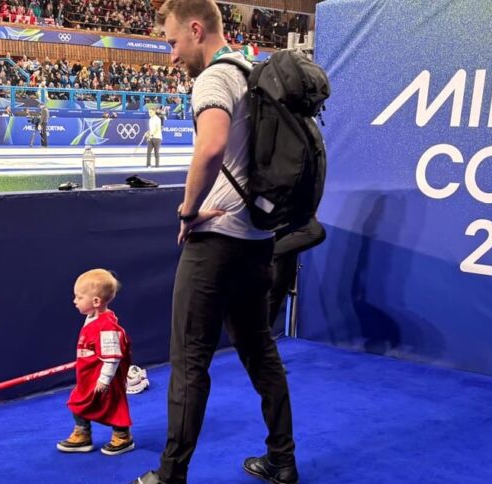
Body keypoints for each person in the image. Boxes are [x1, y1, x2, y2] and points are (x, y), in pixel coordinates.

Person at [134, 1, 298, 483]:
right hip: (258, 239)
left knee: (189, 362)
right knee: (262, 354)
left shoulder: (213, 78)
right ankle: (283, 462)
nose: (170, 55)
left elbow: (210, 147)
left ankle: (170, 476)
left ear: (197, 29)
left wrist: (188, 210)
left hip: (216, 244)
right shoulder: (255, 72)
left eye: (171, 41)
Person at [57, 269, 135, 456]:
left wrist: (104, 380)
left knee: (113, 405)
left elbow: (113, 357)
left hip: (101, 378)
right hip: (87, 375)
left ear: (96, 302)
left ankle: (122, 436)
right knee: (78, 401)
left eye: (79, 297)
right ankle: (82, 434)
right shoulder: (91, 318)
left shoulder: (107, 327)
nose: (74, 301)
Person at [267, 217, 326, 330]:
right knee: (315, 232)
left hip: (288, 226)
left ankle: (263, 337)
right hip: (272, 220)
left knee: (278, 286)